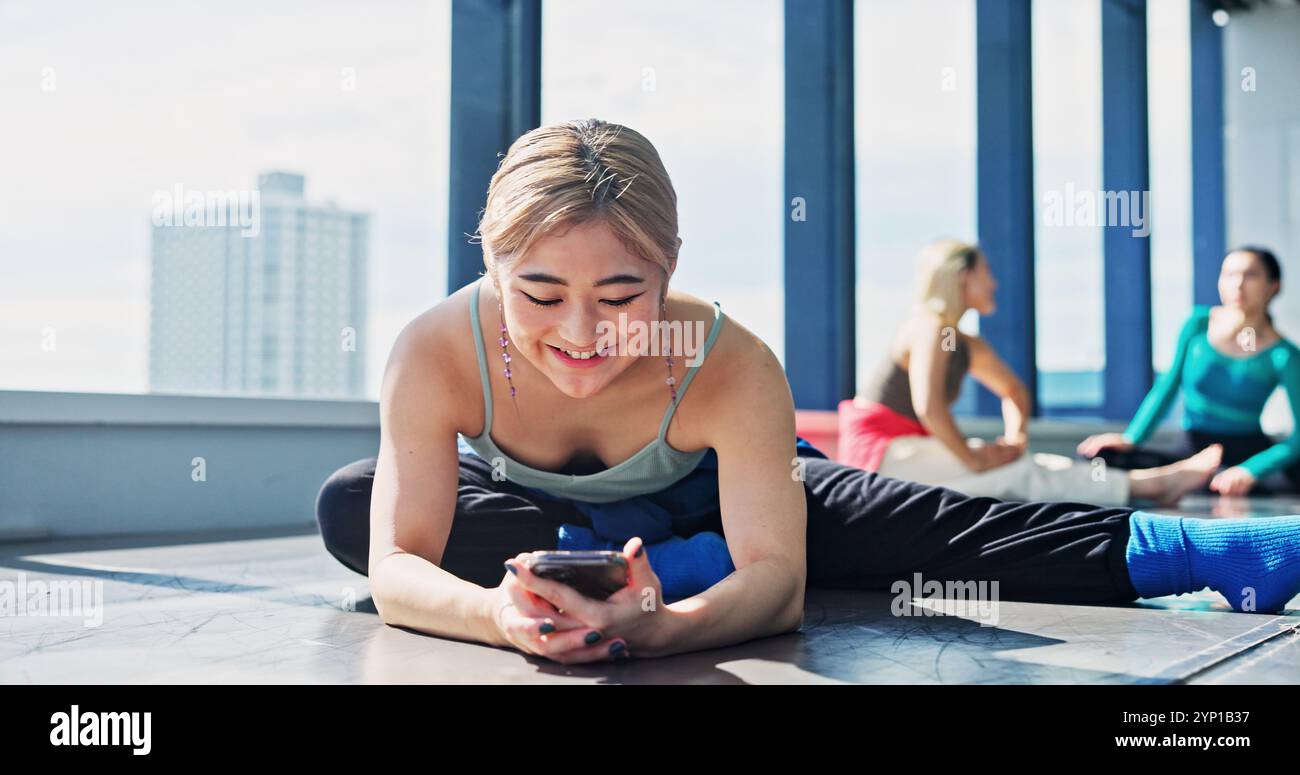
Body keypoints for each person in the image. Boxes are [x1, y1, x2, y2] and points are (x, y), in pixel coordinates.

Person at [315, 120, 1300, 666]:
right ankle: (668, 560)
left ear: (669, 268)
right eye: (539, 294)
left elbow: (779, 590)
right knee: (355, 502)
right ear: (490, 264)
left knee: (918, 531)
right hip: (544, 521)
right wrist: (498, 615)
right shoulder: (436, 350)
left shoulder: (725, 359)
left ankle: (1205, 546)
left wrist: (664, 626)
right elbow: (397, 559)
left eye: (621, 294)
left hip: (739, 499)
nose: (580, 334)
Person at [839, 239, 1221, 506]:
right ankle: (1153, 484)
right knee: (1016, 475)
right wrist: (976, 460)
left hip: (910, 452)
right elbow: (929, 408)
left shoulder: (966, 344)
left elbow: (1015, 393)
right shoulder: (930, 328)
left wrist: (1015, 439)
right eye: (986, 272)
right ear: (962, 278)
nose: (994, 282)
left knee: (1025, 464)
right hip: (880, 458)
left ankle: (1151, 484)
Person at [1078, 247, 1300, 496]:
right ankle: (1192, 477)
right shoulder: (1197, 324)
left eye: (1250, 275)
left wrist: (1250, 471)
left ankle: (1214, 480)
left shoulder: (1284, 355)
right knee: (1101, 457)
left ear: (1273, 286)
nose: (1237, 284)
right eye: (1229, 274)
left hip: (1248, 452)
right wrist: (1131, 439)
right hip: (1190, 450)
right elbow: (1167, 387)